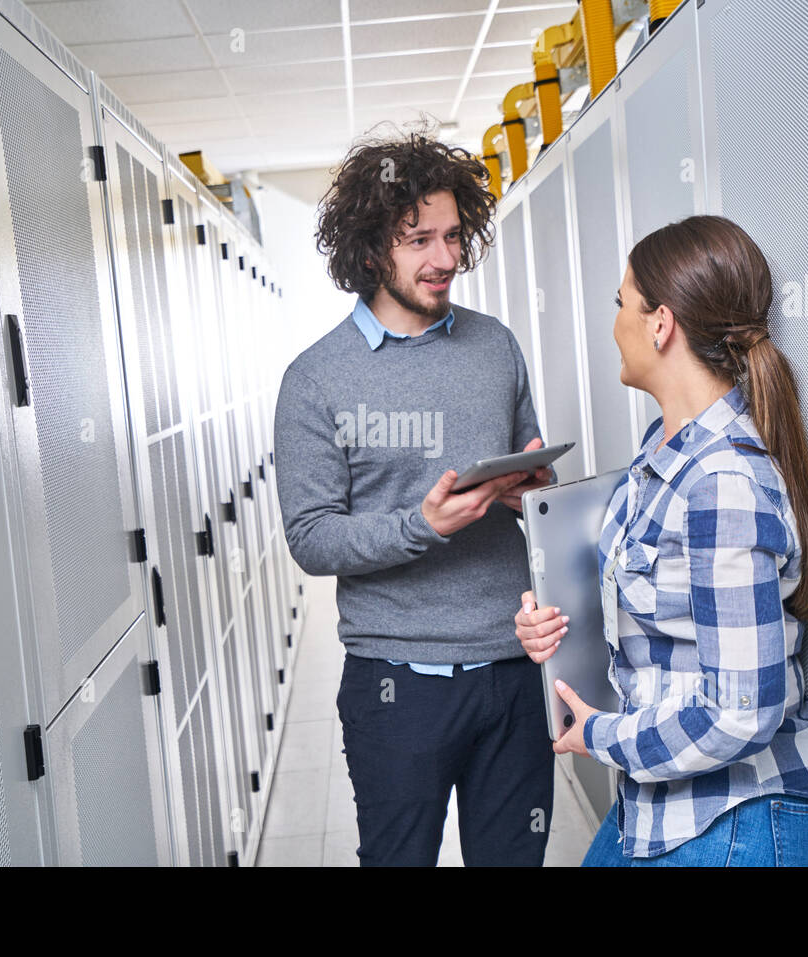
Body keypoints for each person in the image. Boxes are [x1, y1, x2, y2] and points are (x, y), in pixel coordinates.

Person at [515, 215, 808, 866]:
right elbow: (652, 606)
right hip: (661, 800)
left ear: (660, 323)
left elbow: (742, 711)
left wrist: (600, 734)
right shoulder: (660, 451)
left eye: (621, 304)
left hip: (738, 814)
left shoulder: (719, 482)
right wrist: (552, 627)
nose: (613, 324)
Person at [273, 127, 556, 866]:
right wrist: (421, 525)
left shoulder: (495, 345)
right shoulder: (315, 380)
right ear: (371, 250)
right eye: (419, 239)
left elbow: (530, 473)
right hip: (397, 686)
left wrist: (532, 493)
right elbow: (310, 537)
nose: (446, 258)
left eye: (454, 236)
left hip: (514, 670)